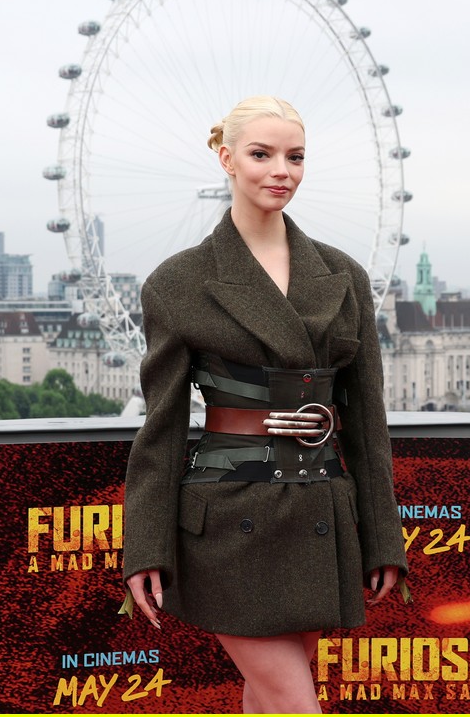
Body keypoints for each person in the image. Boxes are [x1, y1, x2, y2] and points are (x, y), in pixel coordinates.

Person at [122, 95, 407, 713]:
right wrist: (145, 548)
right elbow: (163, 429)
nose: (282, 170)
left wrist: (383, 536)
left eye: (296, 157)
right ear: (226, 158)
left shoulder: (344, 275)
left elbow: (366, 420)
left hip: (319, 510)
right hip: (228, 518)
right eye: (262, 154)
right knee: (293, 701)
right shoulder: (177, 283)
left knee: (269, 698)